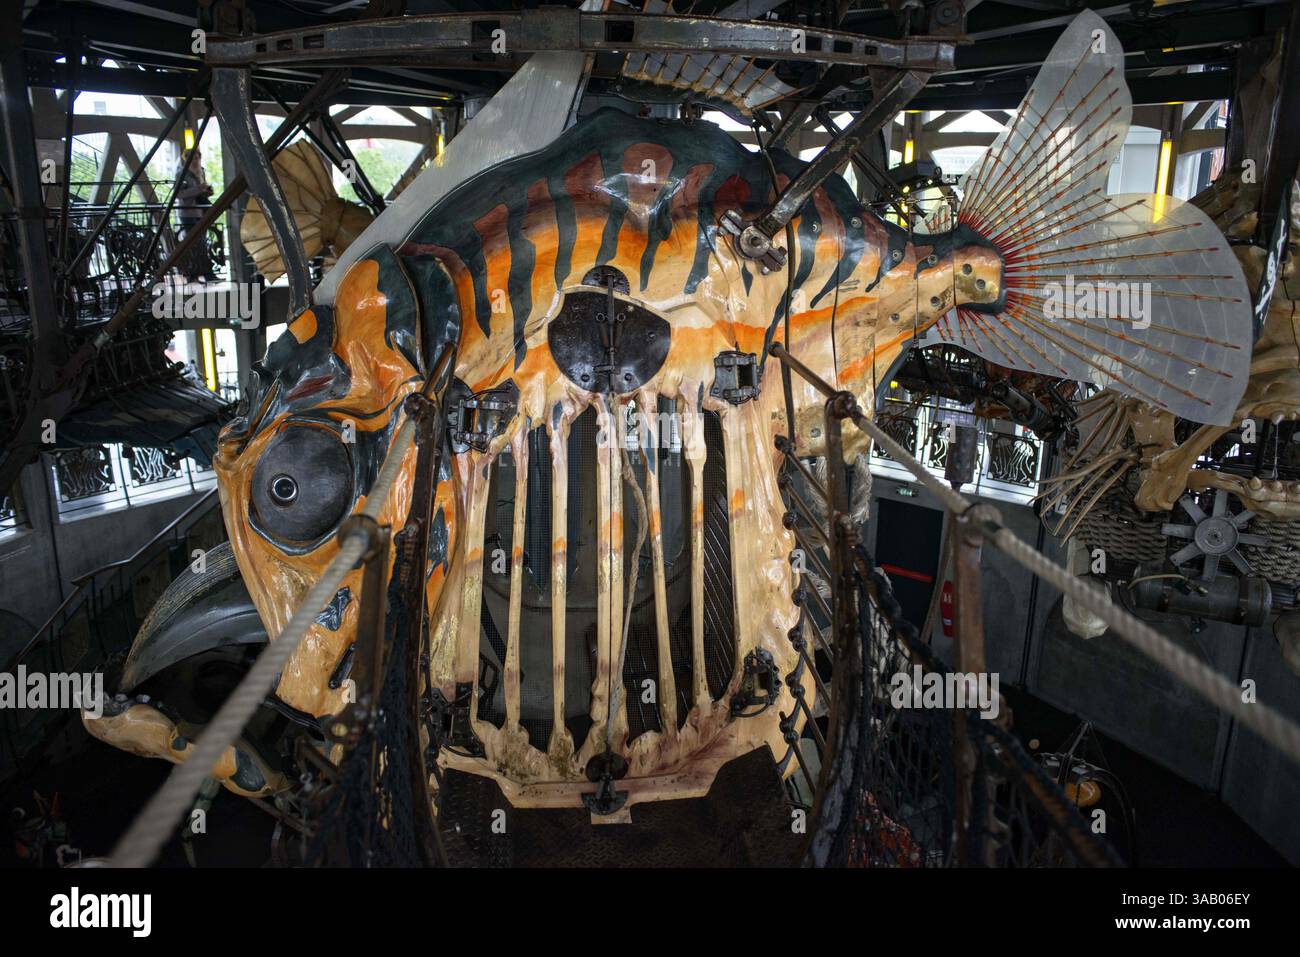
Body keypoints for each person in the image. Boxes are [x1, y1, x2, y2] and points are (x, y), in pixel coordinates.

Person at [176, 150, 216, 282]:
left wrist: (206, 191)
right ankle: (202, 272)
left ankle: (196, 272)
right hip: (188, 212)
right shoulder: (181, 174)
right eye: (192, 159)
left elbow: (200, 191)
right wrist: (199, 189)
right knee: (196, 243)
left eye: (197, 158)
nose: (195, 161)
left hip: (200, 211)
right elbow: (179, 194)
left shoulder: (201, 171)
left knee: (201, 242)